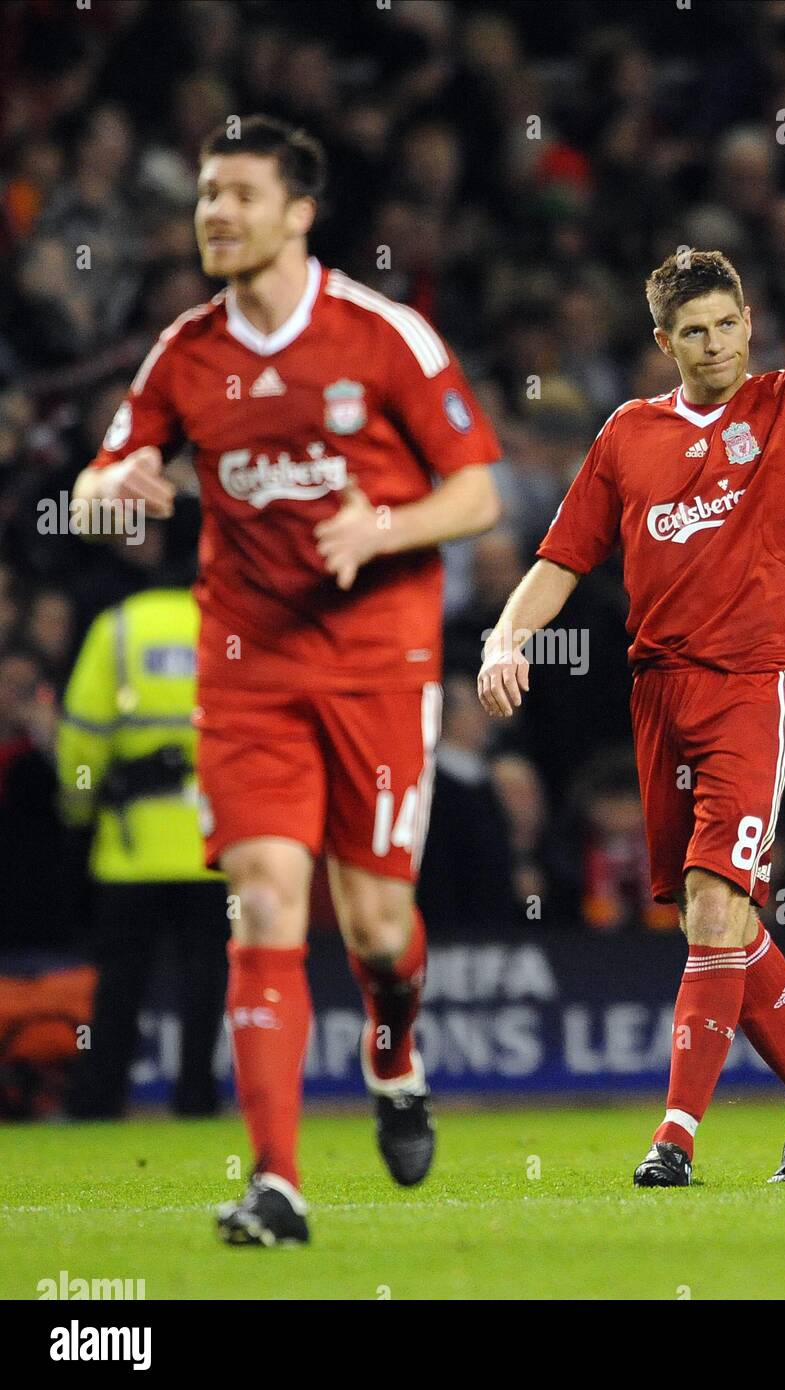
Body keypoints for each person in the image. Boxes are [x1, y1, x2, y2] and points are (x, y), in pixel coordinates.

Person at [72, 116, 501, 1245]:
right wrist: (112, 487)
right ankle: (279, 1183)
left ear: (299, 212)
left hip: (376, 667)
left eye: (239, 194)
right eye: (207, 192)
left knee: (374, 928)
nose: (214, 211)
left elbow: (479, 494)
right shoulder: (186, 352)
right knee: (264, 893)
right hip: (249, 670)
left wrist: (387, 526)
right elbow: (103, 472)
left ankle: (395, 1054)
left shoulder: (384, 338)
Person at [478, 133, 785, 1187]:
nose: (711, 345)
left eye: (725, 325)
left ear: (749, 322)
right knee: (723, 922)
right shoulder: (626, 436)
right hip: (657, 694)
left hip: (754, 682)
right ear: (665, 341)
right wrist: (507, 633)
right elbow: (561, 556)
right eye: (690, 331)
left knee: (713, 904)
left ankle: (675, 1138)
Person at [57, 587, 229, 1118]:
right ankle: (197, 1094)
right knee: (206, 977)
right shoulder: (226, 622)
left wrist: (78, 809)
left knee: (122, 981)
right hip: (212, 841)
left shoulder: (120, 627)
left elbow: (83, 734)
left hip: (131, 847)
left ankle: (101, 1097)